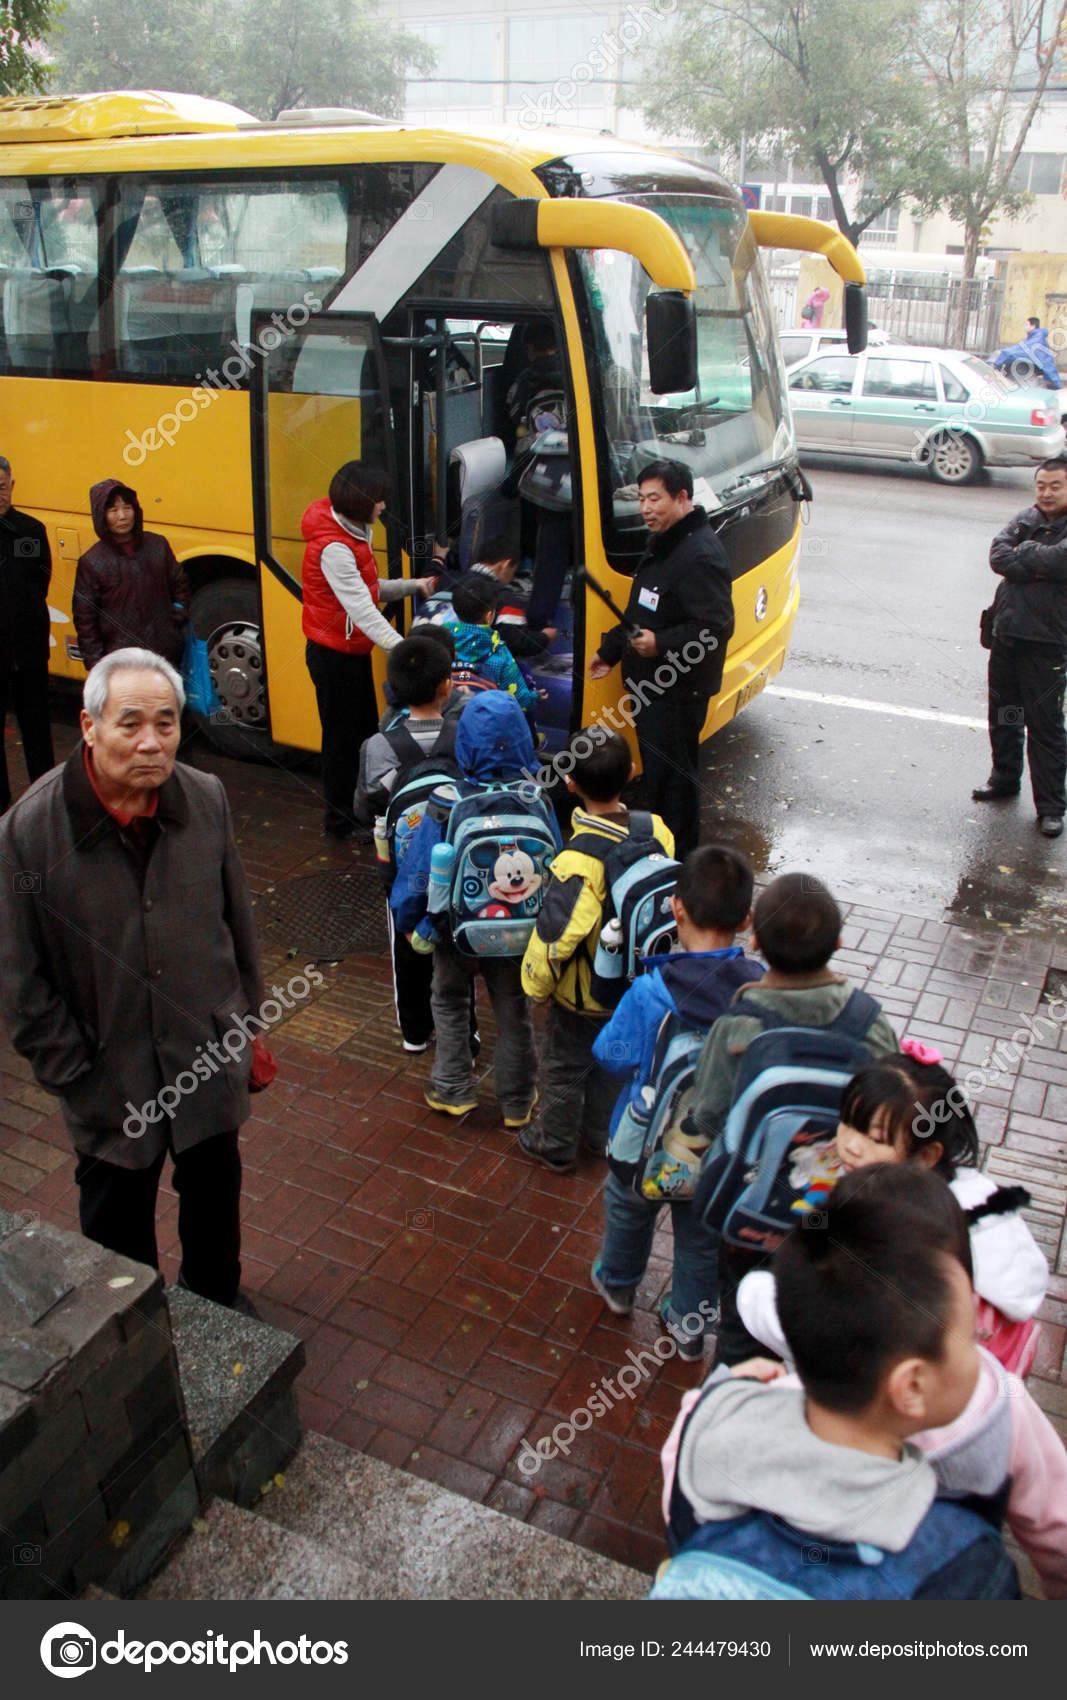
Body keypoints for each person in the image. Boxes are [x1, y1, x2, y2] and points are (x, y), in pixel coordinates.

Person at [0, 649, 265, 1307]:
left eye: (166, 722)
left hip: (204, 1058)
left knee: (212, 1208)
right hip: (107, 1081)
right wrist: (74, 1073)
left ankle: (215, 1306)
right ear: (90, 727)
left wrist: (241, 1026)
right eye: (130, 723)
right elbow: (19, 979)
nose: (151, 742)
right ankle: (137, 1331)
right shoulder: (27, 833)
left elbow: (239, 928)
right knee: (117, 1239)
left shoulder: (206, 800)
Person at [655, 1167, 1028, 1600]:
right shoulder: (965, 1568)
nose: (981, 1349)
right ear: (911, 1387)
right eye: (971, 1337)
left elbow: (685, 1535)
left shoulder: (710, 1430)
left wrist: (718, 1398)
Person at [686, 871, 898, 1362]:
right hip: (839, 1210)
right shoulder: (871, 1024)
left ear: (755, 940)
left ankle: (732, 1401)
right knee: (822, 1319)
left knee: (741, 1318)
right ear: (840, 942)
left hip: (752, 1209)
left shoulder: (738, 1025)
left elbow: (710, 1114)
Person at [738, 1042, 1049, 1377]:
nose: (851, 1145)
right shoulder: (982, 1200)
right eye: (848, 1122)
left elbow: (822, 1335)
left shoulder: (886, 1239)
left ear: (928, 1155)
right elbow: (1024, 1291)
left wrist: (753, 1295)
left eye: (877, 1139)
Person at [588, 843, 764, 1358]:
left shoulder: (650, 991)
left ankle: (618, 1286)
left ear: (675, 907)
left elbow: (610, 1057)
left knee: (627, 1210)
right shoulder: (759, 995)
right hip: (719, 1155)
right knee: (701, 1238)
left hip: (642, 1141)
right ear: (747, 918)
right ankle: (688, 1327)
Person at [519, 728, 675, 1175]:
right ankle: (600, 1134)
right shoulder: (656, 830)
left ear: (569, 784)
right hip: (636, 980)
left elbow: (557, 936)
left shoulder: (577, 860)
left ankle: (555, 1142)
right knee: (614, 1061)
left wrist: (536, 985)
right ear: (630, 773)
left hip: (583, 993)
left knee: (565, 1064)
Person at [390, 692, 546, 1124]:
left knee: (451, 1001)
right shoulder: (535, 799)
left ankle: (454, 1088)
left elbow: (420, 872)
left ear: (463, 744)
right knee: (514, 1009)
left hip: (453, 928)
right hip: (517, 933)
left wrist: (408, 920)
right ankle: (518, 1101)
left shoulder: (446, 801)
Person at [589, 460, 734, 857]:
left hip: (676, 691)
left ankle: (677, 861)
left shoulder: (699, 555)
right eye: (641, 499)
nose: (645, 508)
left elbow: (716, 627)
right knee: (660, 778)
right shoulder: (666, 541)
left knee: (676, 784)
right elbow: (643, 609)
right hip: (653, 688)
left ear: (682, 497)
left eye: (655, 498)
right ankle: (661, 848)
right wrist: (611, 650)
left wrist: (662, 645)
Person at [302, 461, 436, 839]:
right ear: (362, 502)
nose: (383, 506)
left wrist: (413, 585)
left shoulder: (355, 531)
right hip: (333, 657)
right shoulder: (334, 548)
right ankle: (339, 821)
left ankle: (360, 811)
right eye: (379, 500)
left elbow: (371, 589)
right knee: (341, 741)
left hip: (350, 652)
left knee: (362, 734)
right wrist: (407, 649)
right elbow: (361, 608)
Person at [353, 633, 466, 1054]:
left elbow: (365, 808)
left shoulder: (379, 745)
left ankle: (415, 1032)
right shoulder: (463, 736)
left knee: (406, 943)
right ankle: (463, 1029)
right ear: (446, 685)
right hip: (453, 863)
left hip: (399, 870)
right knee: (454, 944)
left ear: (393, 690)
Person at [972, 456, 1067, 837]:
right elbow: (998, 555)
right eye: (1041, 485)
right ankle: (1004, 780)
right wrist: (1038, 564)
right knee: (1005, 714)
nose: (1046, 492)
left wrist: (1024, 556)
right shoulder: (1025, 518)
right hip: (1007, 634)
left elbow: (1061, 561)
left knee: (1045, 726)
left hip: (1048, 643)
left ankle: (1050, 807)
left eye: (1055, 486)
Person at [72, 479, 190, 674]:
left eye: (127, 507)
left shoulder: (157, 545)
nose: (122, 516)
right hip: (121, 662)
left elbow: (180, 583)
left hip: (165, 655)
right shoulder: (91, 562)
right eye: (113, 510)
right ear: (101, 516)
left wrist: (177, 616)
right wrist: (96, 665)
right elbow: (85, 619)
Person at [0, 456, 54, 814]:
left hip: (30, 649)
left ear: (13, 486)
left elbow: (42, 579)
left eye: (3, 485)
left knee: (36, 728)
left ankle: (45, 797)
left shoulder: (31, 529)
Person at [446, 575, 539, 718]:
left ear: (455, 609)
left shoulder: (439, 639)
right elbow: (520, 701)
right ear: (490, 615)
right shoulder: (498, 653)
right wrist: (535, 696)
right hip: (483, 724)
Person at [991, 316, 1061, 391]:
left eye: (1026, 325)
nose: (1025, 327)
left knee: (1012, 362)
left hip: (1030, 369)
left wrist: (1003, 356)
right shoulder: (1034, 336)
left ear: (1033, 326)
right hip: (1033, 367)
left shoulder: (1037, 338)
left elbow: (1020, 350)